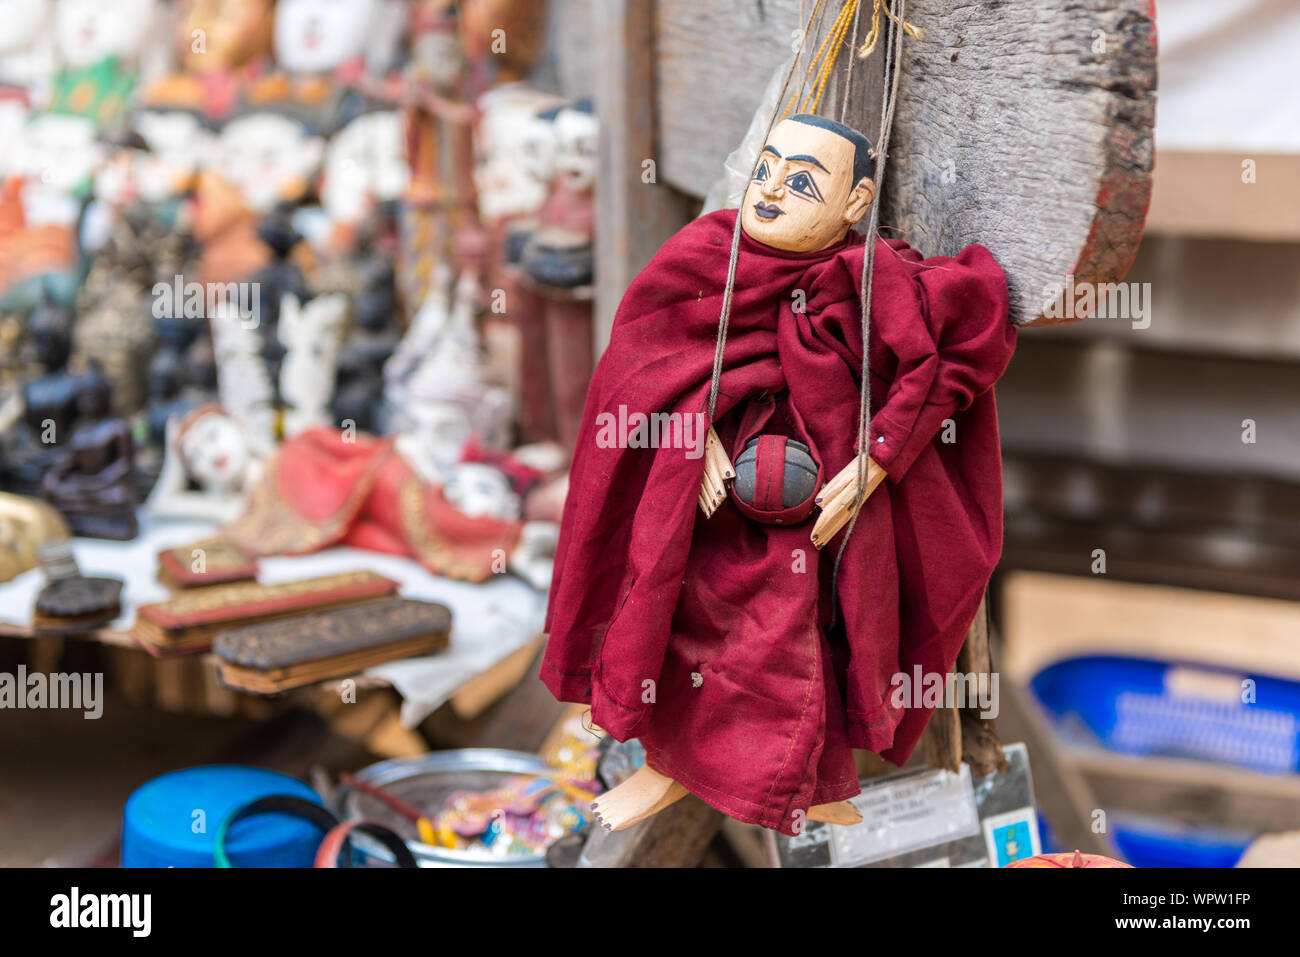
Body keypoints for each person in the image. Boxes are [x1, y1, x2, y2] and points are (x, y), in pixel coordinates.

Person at [542, 115, 1018, 835]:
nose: (771, 193)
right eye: (766, 170)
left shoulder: (874, 278)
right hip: (710, 508)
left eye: (802, 182)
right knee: (694, 611)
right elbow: (641, 360)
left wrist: (881, 458)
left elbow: (963, 341)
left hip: (821, 505)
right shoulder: (708, 252)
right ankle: (668, 767)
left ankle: (813, 776)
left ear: (855, 204)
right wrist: (681, 431)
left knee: (820, 621)